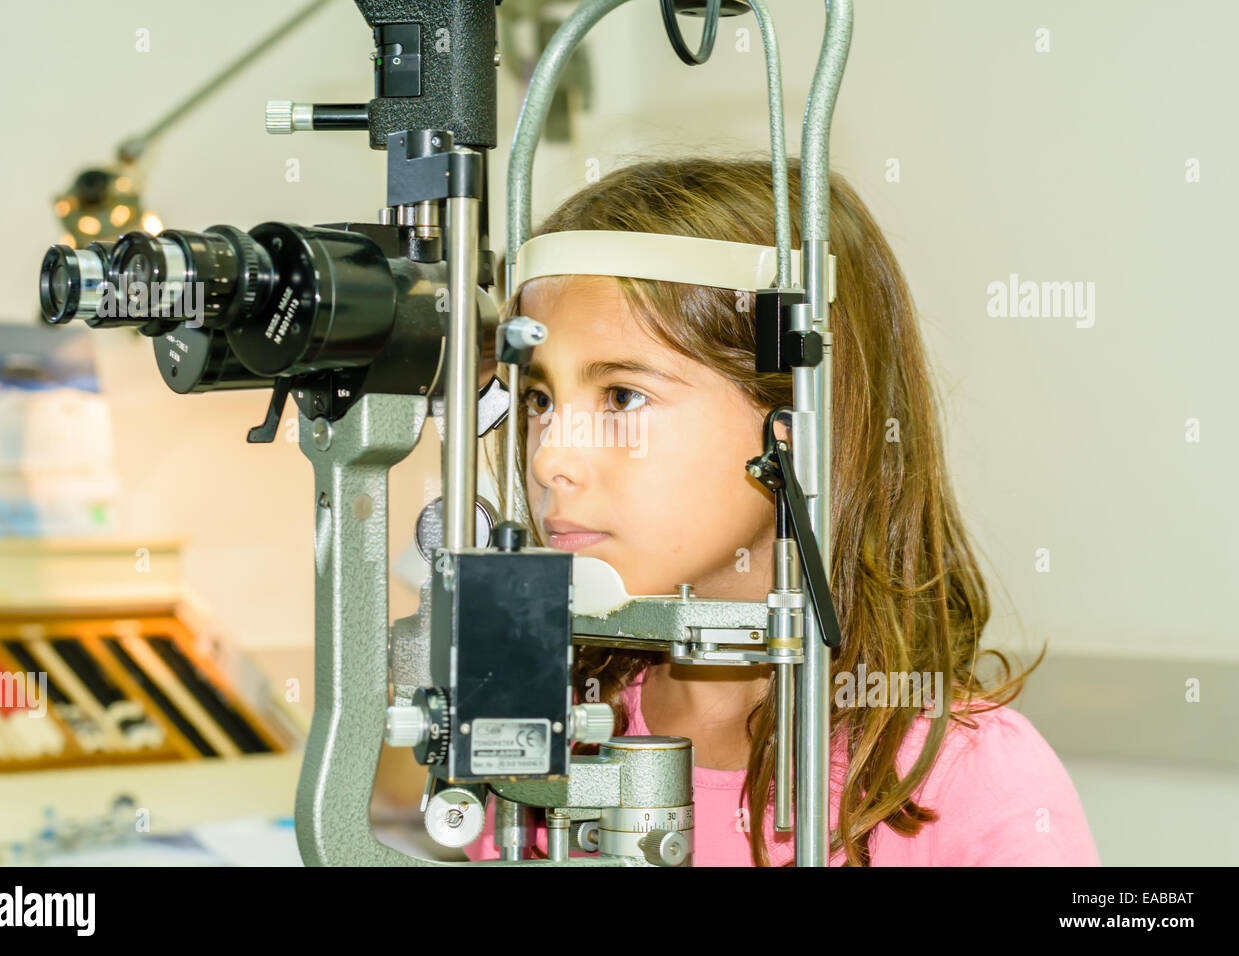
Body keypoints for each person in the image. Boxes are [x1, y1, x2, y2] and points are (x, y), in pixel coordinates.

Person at [463, 156, 1100, 866]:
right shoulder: (548, 741)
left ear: (793, 426)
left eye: (621, 397)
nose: (552, 458)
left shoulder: (970, 782)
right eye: (539, 401)